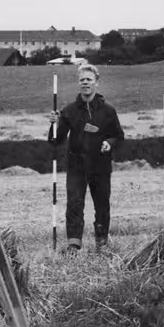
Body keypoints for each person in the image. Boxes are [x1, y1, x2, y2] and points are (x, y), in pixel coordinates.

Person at [48, 63, 124, 253]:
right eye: (82, 80)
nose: (85, 83)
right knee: (74, 203)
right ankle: (74, 244)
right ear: (78, 83)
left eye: (89, 79)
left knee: (102, 205)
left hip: (101, 165)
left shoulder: (109, 110)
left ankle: (102, 242)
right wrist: (53, 125)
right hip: (76, 165)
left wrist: (110, 143)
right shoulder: (69, 111)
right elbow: (56, 140)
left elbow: (118, 135)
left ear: (96, 83)